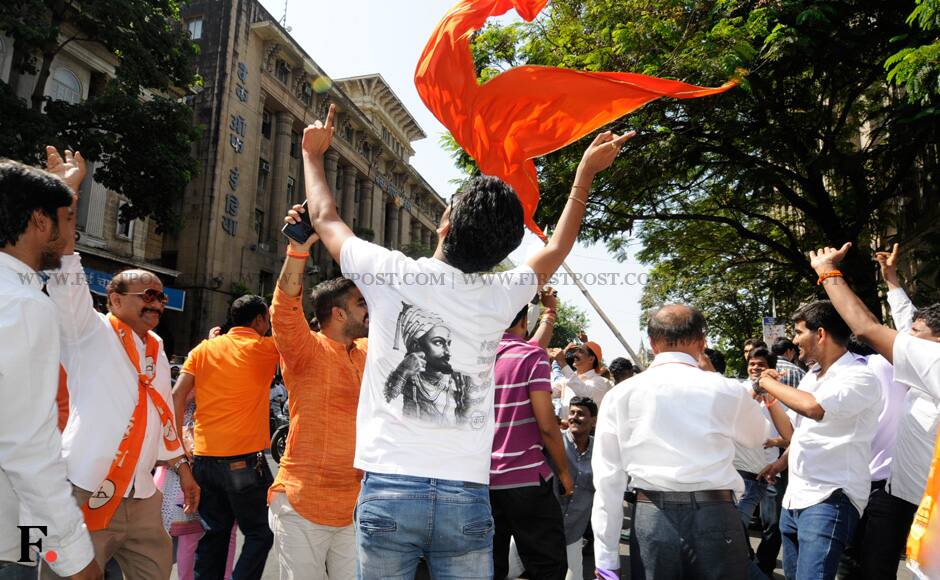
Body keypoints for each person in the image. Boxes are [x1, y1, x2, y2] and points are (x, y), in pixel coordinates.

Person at [299, 103, 630, 578]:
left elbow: (325, 216)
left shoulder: (390, 272)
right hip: (469, 494)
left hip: (390, 487)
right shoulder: (500, 295)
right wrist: (584, 175)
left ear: (446, 224)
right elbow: (556, 247)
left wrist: (313, 155)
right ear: (502, 250)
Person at [43, 147, 197, 580]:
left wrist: (182, 469)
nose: (157, 303)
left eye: (161, 298)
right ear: (113, 299)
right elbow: (66, 267)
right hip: (84, 486)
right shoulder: (87, 329)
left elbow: (163, 411)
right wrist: (66, 193)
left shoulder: (157, 347)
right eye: (146, 295)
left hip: (142, 494)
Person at [592, 305, 767, 579]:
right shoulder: (727, 388)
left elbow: (607, 479)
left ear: (651, 343)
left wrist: (606, 557)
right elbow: (757, 438)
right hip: (717, 515)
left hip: (652, 517)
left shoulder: (620, 394)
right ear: (702, 342)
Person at [804, 243, 940, 578]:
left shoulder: (933, 366)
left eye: (915, 336)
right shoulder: (928, 361)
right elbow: (908, 319)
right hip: (895, 496)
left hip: (931, 505)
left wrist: (829, 274)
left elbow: (866, 327)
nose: (905, 336)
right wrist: (892, 281)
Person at [0, 156, 99, 580]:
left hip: (21, 526)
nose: (69, 233)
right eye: (66, 217)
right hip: (12, 531)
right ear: (40, 222)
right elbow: (27, 448)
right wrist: (77, 560)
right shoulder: (23, 305)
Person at [268, 214, 368, 580]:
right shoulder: (306, 350)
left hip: (355, 506)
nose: (368, 310)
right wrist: (297, 250)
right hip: (301, 504)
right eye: (361, 303)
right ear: (338, 313)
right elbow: (284, 312)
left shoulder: (367, 352)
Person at [755, 300, 882, 580]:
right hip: (795, 498)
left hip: (830, 497)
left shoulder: (859, 376)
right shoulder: (811, 377)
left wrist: (767, 382)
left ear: (820, 334)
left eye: (799, 332)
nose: (795, 340)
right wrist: (771, 398)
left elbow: (814, 408)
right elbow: (796, 432)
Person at [172, 295, 280, 580]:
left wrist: (179, 445)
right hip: (242, 462)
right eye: (266, 320)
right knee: (260, 533)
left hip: (203, 460)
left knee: (214, 536)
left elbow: (177, 395)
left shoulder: (204, 349)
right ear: (259, 320)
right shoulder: (266, 347)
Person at [489, 301, 572, 580]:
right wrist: (563, 472)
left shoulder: (474, 357)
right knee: (547, 566)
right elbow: (547, 425)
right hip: (526, 480)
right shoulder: (530, 357)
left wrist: (549, 313)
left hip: (479, 483)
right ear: (524, 322)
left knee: (490, 566)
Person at [559, 397, 598, 580]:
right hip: (541, 530)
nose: (574, 417)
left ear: (594, 421)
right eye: (572, 412)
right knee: (504, 570)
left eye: (581, 414)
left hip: (574, 534)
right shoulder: (555, 443)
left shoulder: (601, 451)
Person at [551, 342, 613, 417]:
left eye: (581, 351)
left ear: (591, 359)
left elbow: (584, 395)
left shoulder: (602, 382)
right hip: (565, 428)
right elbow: (550, 393)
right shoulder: (567, 379)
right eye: (576, 351)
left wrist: (562, 363)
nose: (574, 354)